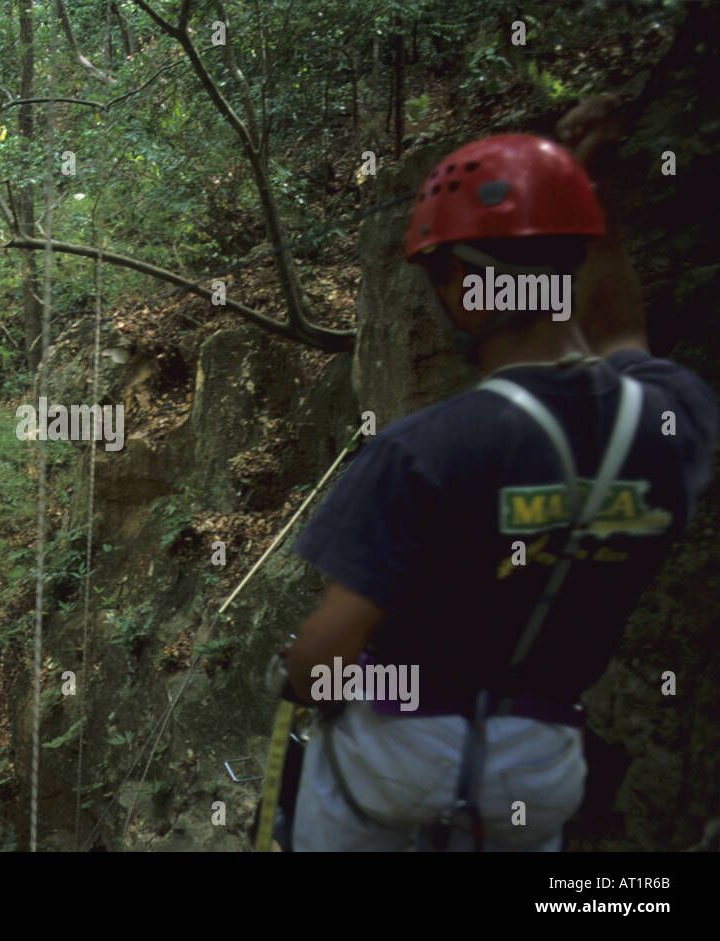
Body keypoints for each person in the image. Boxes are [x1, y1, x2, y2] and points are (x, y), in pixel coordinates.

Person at [279, 94, 718, 852]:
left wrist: (294, 675)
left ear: (460, 285)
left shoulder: (424, 451)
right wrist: (593, 205)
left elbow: (328, 657)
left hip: (398, 760)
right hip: (538, 768)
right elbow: (620, 332)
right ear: (574, 261)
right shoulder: (668, 419)